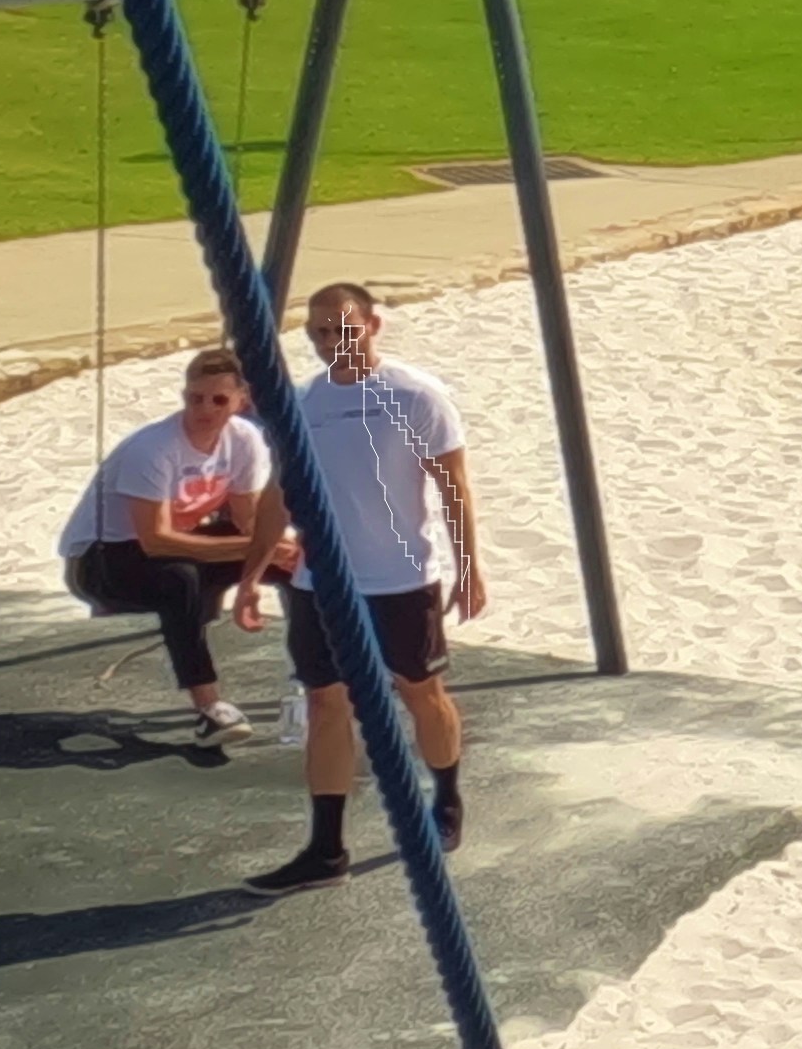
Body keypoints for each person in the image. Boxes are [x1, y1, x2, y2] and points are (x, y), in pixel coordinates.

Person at [238, 281, 487, 891]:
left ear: (371, 325)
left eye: (341, 329)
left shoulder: (415, 396)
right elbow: (277, 495)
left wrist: (469, 567)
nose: (331, 342)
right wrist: (250, 576)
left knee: (419, 691)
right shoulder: (306, 404)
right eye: (318, 332)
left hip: (400, 576)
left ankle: (447, 798)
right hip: (322, 581)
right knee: (327, 701)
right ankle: (326, 849)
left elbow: (452, 484)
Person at [59, 350, 273, 740]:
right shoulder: (154, 448)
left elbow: (249, 522)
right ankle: (209, 709)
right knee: (180, 577)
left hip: (170, 546)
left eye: (219, 400)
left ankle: (334, 675)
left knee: (297, 559)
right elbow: (155, 541)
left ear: (242, 401)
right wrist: (256, 549)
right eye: (195, 398)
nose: (205, 409)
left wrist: (260, 569)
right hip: (104, 559)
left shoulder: (244, 440)